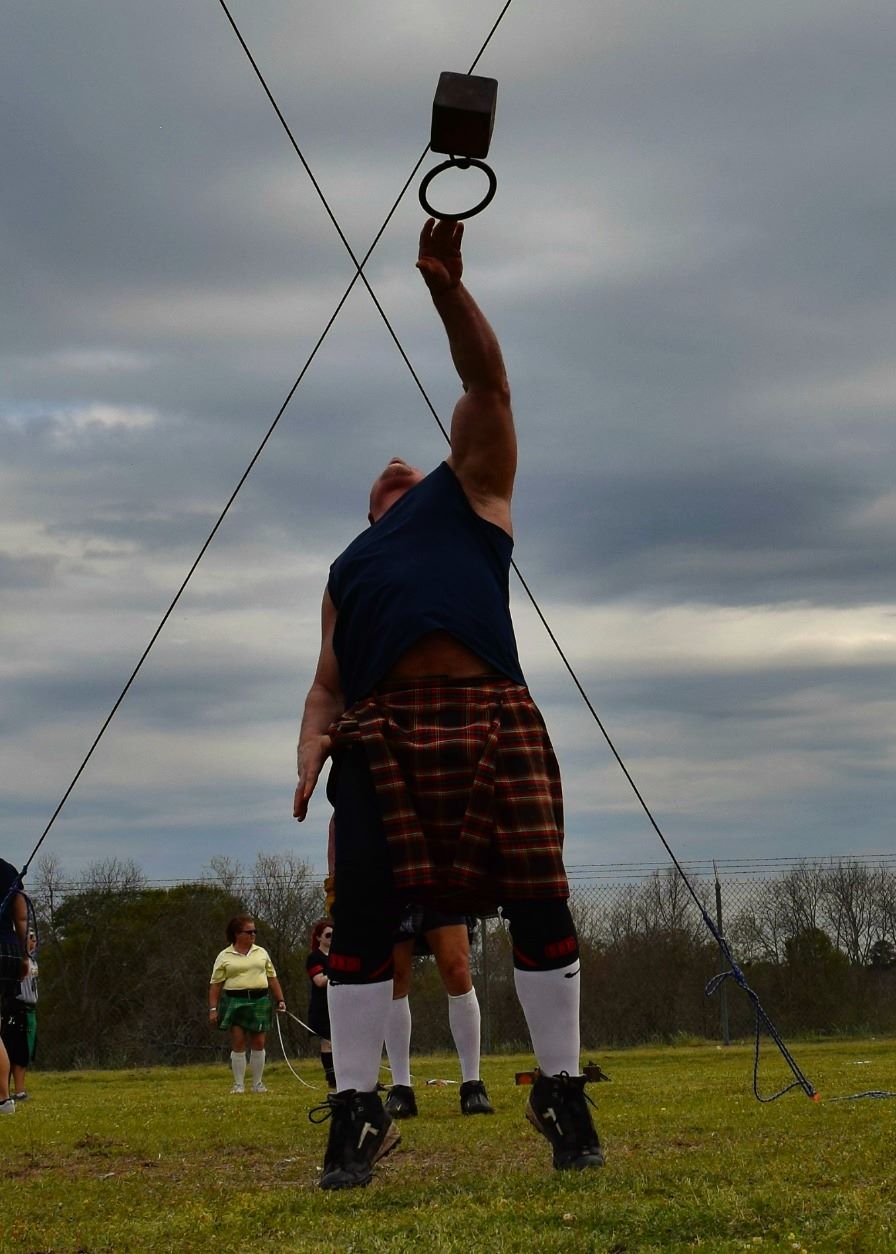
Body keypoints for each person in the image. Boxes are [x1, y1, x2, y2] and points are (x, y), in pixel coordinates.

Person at [294, 219, 603, 1189]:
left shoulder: (471, 493)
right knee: (362, 926)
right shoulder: (349, 567)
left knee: (540, 901)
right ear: (365, 507)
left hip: (489, 717)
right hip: (376, 739)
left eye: (410, 463)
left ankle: (559, 1087)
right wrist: (307, 750)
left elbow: (484, 387)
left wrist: (443, 288)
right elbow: (325, 683)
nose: (397, 465)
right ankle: (354, 1112)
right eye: (380, 475)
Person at [384, 908, 493, 1118]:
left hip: (440, 879)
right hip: (396, 883)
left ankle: (473, 1086)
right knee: (395, 976)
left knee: (458, 970)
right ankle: (401, 1089)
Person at [208, 916, 286, 1094]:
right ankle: (238, 1084)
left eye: (254, 932)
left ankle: (257, 1083)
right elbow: (215, 985)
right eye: (248, 932)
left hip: (259, 1000)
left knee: (259, 1042)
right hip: (234, 1001)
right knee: (238, 1041)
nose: (253, 935)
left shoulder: (261, 953)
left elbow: (272, 978)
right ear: (237, 934)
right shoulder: (224, 956)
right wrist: (213, 1009)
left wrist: (280, 999)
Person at [0, 858, 29, 1115]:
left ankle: (3, 1099)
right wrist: (26, 956)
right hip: (7, 951)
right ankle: (4, 1098)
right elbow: (21, 916)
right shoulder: (8, 870)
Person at [1, 930, 38, 1103]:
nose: (34, 941)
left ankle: (17, 1089)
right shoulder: (18, 960)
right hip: (17, 1006)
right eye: (30, 938)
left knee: (26, 1049)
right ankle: (17, 1090)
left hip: (30, 1008)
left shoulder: (32, 961)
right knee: (16, 1049)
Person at [305, 918, 336, 1089]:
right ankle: (331, 1077)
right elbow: (319, 981)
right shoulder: (314, 957)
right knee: (327, 1041)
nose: (332, 938)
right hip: (322, 1005)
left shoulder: (337, 955)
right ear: (318, 938)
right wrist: (338, 972)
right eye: (328, 935)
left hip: (340, 1003)